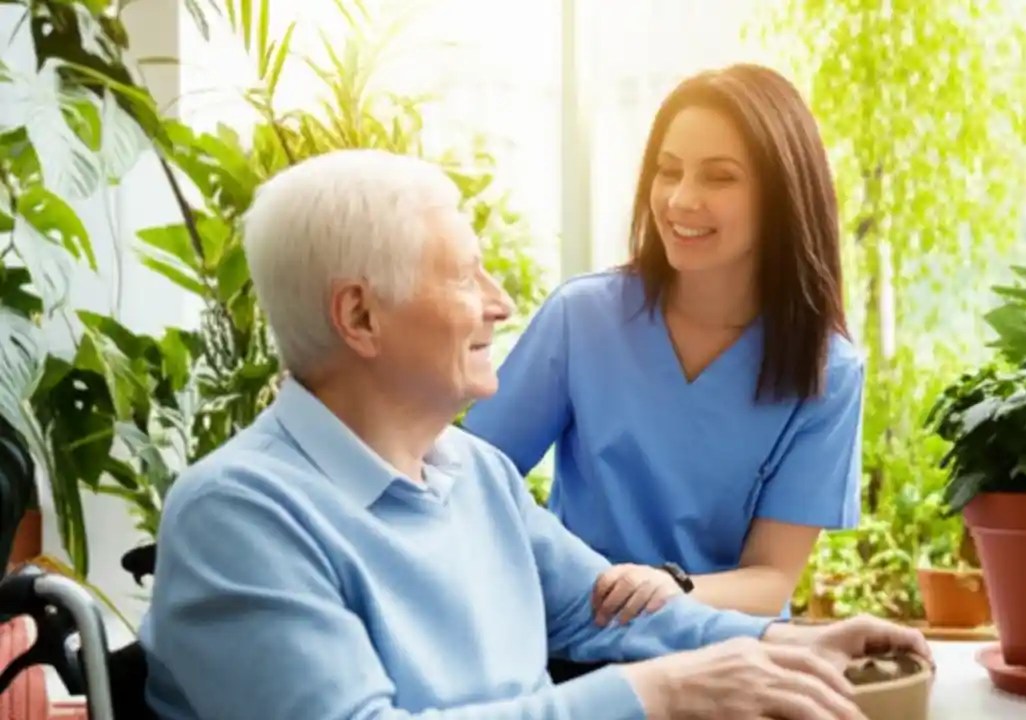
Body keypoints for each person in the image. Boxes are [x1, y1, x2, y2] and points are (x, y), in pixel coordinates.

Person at [137, 149, 927, 720]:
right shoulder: (237, 517)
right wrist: (661, 693)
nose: (500, 303)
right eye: (463, 275)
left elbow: (612, 611)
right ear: (360, 317)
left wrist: (790, 645)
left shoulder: (471, 473)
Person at [462, 63, 863, 680]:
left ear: (783, 194)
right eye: (668, 170)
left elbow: (771, 576)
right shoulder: (583, 317)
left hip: (723, 658)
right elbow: (469, 476)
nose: (680, 199)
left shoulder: (827, 370)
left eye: (719, 177)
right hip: (573, 648)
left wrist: (667, 587)